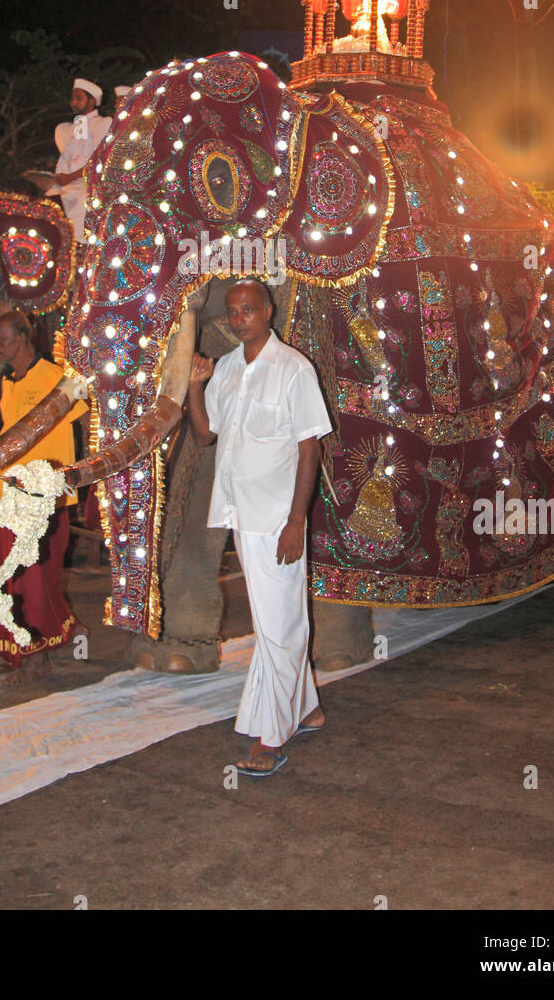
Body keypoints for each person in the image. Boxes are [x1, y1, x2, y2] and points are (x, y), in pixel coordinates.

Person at [188, 279, 332, 777]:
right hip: (239, 515)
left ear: (268, 311)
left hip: (275, 519)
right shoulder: (227, 369)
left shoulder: (294, 369)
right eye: (232, 311)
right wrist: (193, 385)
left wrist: (297, 521)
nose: (239, 318)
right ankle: (307, 707)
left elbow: (309, 448)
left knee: (278, 623)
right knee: (275, 616)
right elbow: (206, 435)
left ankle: (272, 734)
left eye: (248, 309)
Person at [0, 310, 88, 677]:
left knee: (36, 574)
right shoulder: (6, 381)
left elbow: (83, 418)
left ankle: (36, 650)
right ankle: (63, 633)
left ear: (23, 337)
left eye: (0, 338)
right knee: (15, 575)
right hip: (10, 495)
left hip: (46, 496)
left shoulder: (56, 378)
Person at [24, 79, 111, 239]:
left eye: (78, 98)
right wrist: (53, 179)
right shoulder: (64, 129)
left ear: (91, 100)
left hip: (87, 187)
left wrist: (70, 177)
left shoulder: (103, 124)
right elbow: (67, 161)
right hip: (63, 187)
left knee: (79, 214)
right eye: (73, 99)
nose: (73, 103)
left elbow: (100, 161)